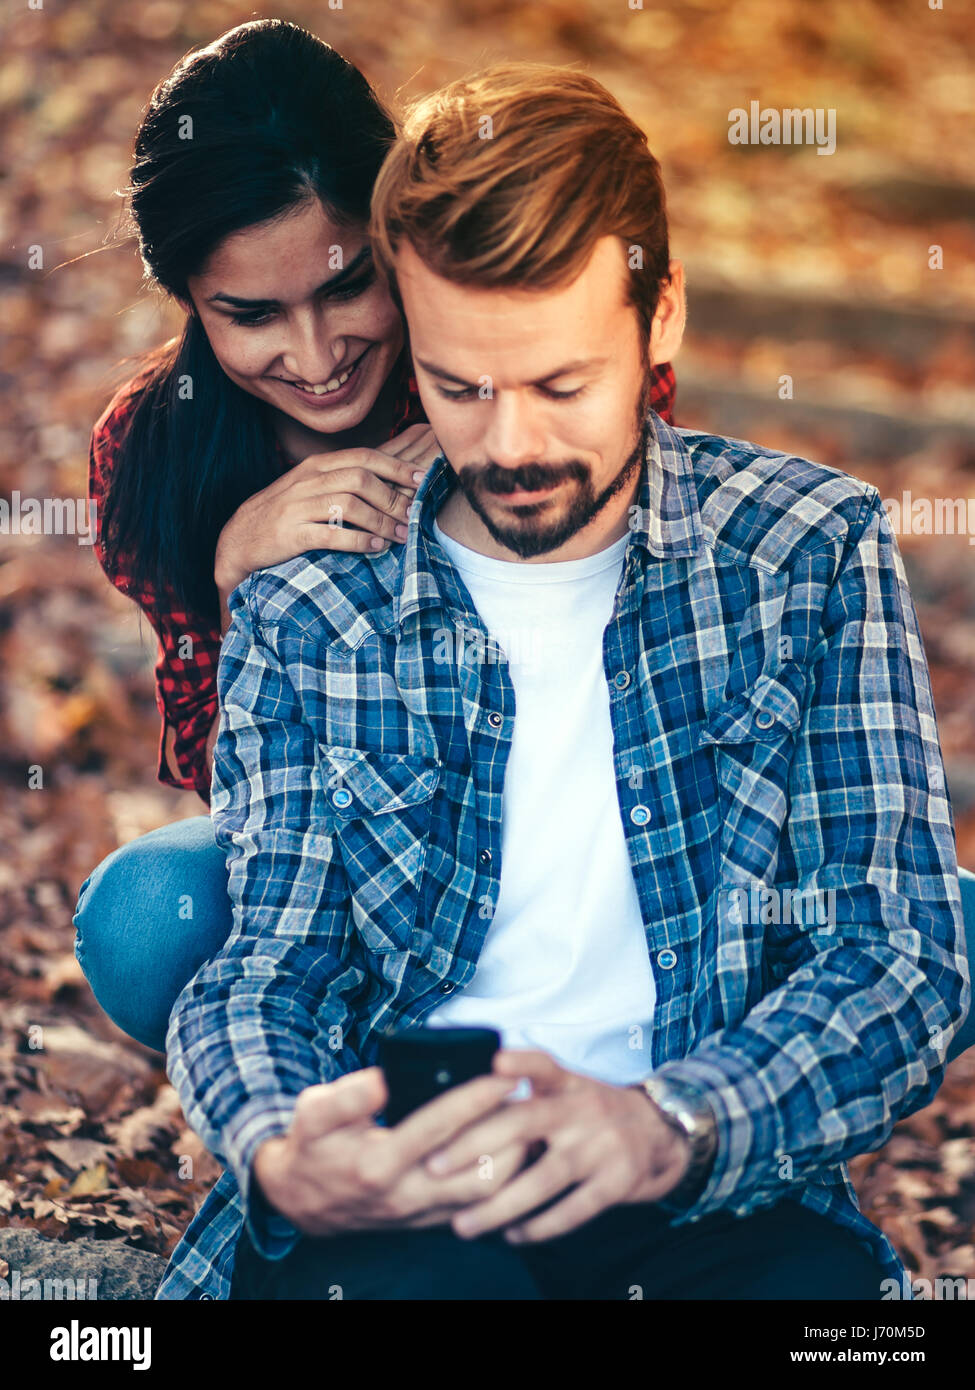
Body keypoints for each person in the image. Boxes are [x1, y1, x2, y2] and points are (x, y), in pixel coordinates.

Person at [157, 61, 970, 1301]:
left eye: (562, 384)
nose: (514, 445)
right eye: (460, 386)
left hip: (711, 1182)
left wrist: (669, 1122)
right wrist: (275, 1144)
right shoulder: (311, 604)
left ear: (664, 320)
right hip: (421, 1183)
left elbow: (898, 956)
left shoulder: (809, 551)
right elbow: (270, 964)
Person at [71, 19, 680, 1053]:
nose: (317, 357)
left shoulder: (535, 350)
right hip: (340, 861)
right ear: (188, 304)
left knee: (946, 915)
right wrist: (236, 580)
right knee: (144, 914)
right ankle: (347, 1100)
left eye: (349, 285)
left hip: (595, 812)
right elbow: (238, 798)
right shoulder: (152, 451)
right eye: (252, 314)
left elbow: (661, 630)